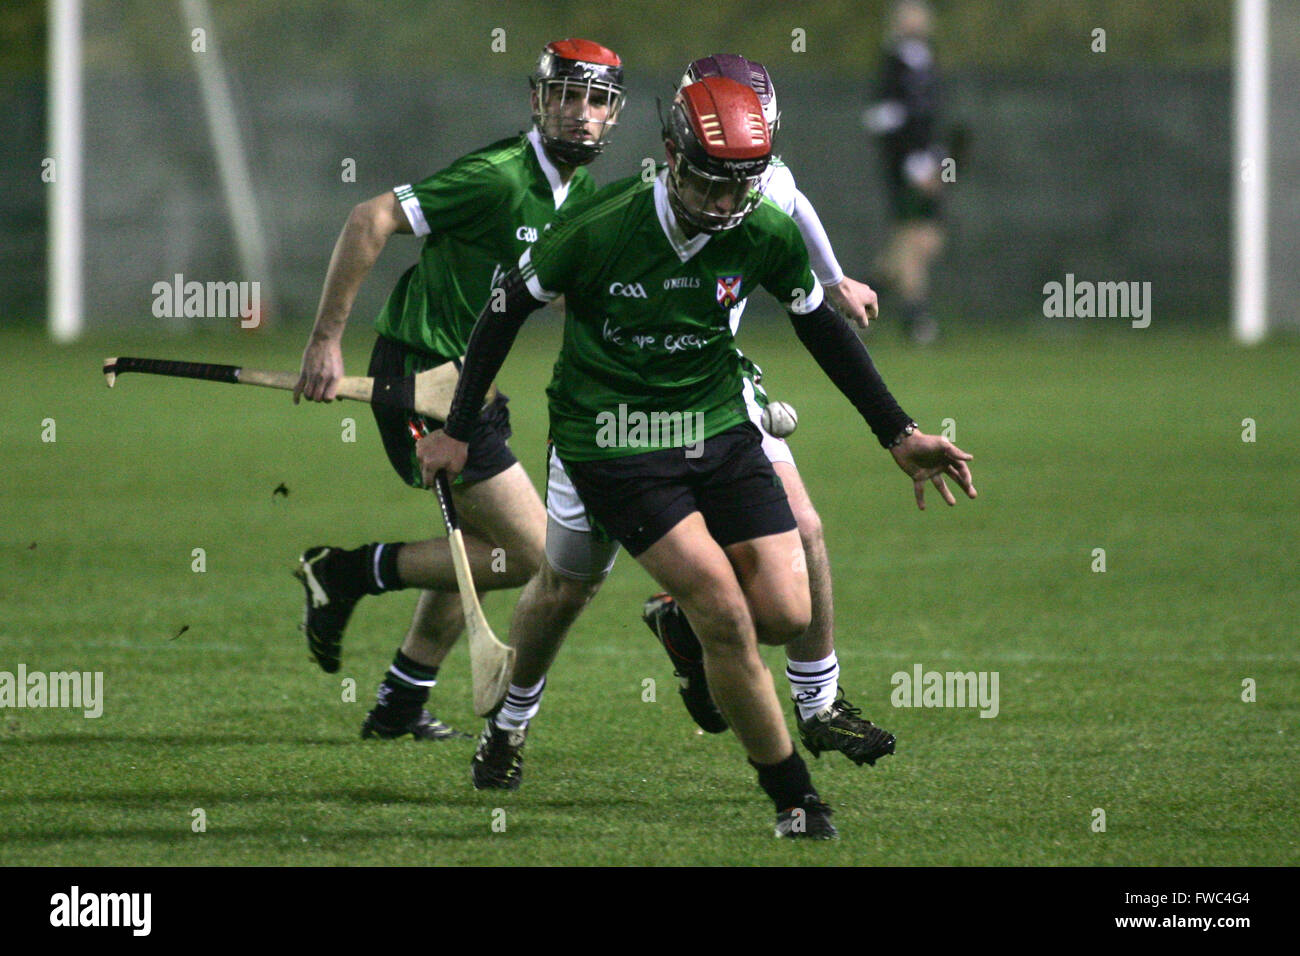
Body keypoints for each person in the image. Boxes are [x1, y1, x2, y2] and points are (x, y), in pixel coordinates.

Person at [419, 76, 977, 838]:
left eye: (741, 185)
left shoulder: (763, 228)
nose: (723, 203)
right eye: (709, 182)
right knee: (572, 590)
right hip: (610, 436)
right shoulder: (599, 225)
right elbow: (505, 307)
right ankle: (784, 796)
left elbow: (821, 330)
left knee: (784, 611)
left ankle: (680, 629)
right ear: (671, 154)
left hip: (715, 426)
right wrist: (456, 426)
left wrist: (900, 433)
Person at [290, 39, 626, 741]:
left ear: (613, 113)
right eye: (566, 95)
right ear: (538, 100)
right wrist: (326, 339)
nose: (581, 114)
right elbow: (369, 218)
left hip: (474, 388)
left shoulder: (581, 194)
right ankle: (347, 571)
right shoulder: (498, 176)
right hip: (421, 379)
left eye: (596, 100)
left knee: (478, 545)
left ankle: (398, 704)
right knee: (531, 553)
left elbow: (552, 289)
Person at [641, 54, 897, 766]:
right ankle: (505, 720)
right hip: (635, 405)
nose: (739, 181)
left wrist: (833, 274)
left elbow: (791, 195)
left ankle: (818, 705)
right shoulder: (648, 204)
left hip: (726, 388)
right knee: (564, 577)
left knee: (806, 535)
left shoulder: (765, 181)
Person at [863, 0, 947, 344]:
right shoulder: (893, 63)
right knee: (914, 240)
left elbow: (929, 120)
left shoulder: (925, 59)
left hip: (925, 163)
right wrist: (913, 165)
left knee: (921, 242)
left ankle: (859, 301)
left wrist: (936, 159)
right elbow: (882, 119)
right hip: (906, 167)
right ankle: (917, 322)